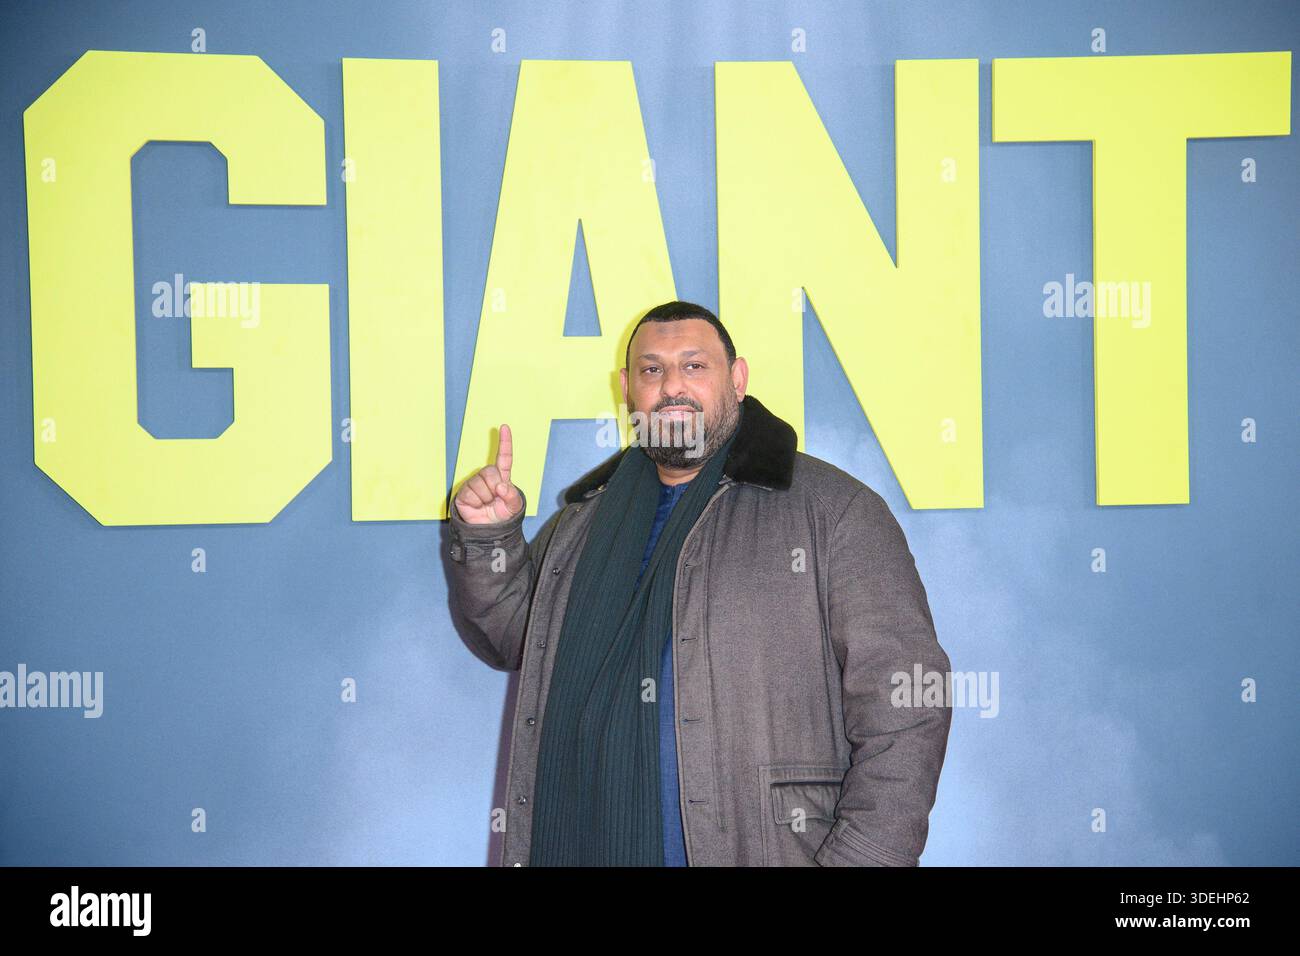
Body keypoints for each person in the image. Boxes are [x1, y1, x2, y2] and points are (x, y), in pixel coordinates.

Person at [447, 300, 952, 866]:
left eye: (694, 366)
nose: (671, 387)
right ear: (627, 389)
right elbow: (513, 639)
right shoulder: (582, 523)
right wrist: (488, 539)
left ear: (737, 379)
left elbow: (908, 706)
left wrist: (864, 859)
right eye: (652, 370)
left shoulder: (833, 511)